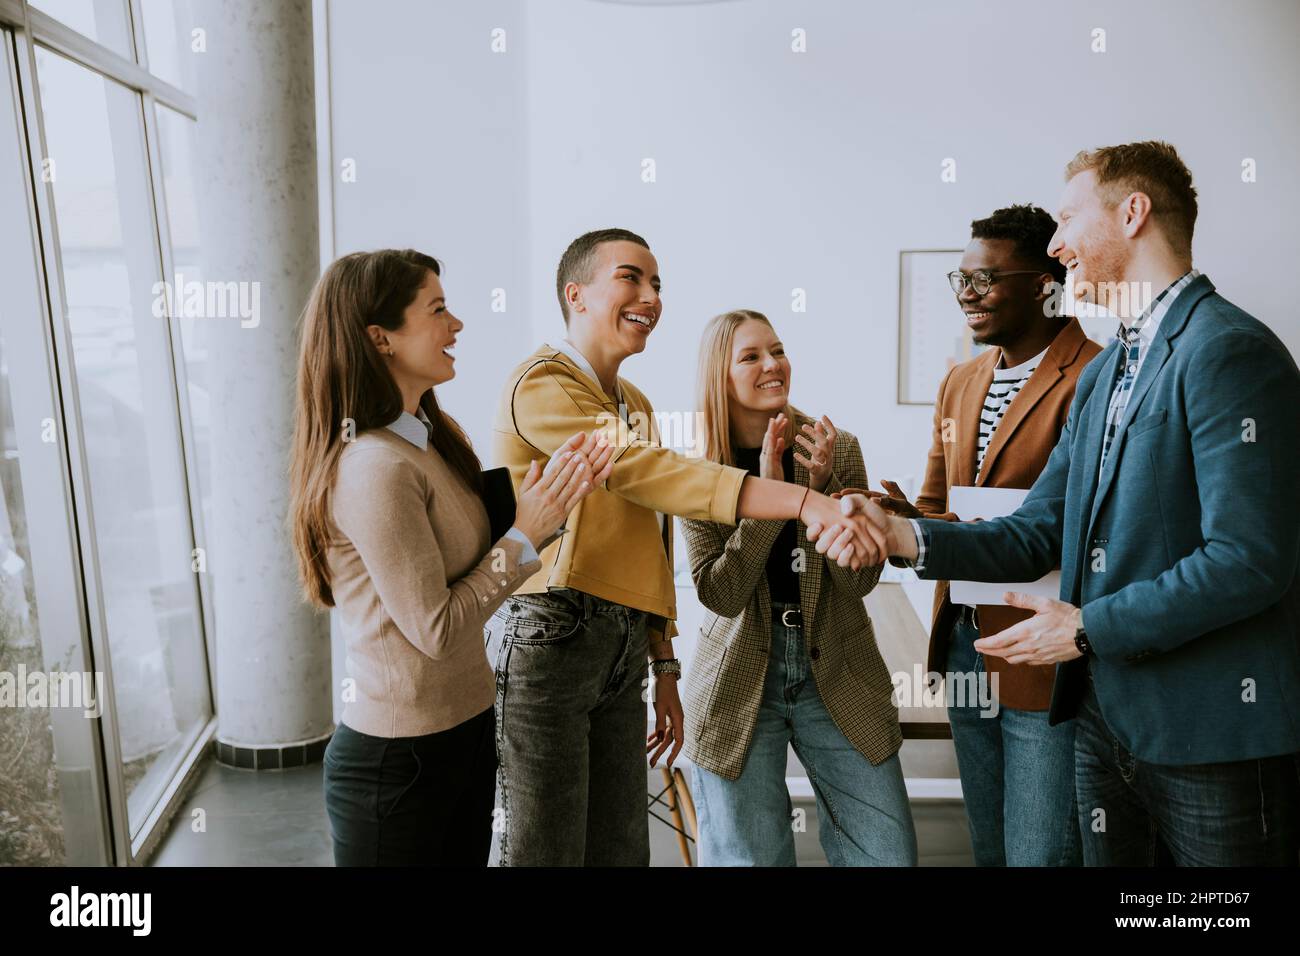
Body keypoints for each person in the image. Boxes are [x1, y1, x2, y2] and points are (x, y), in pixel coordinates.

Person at [812, 142, 1300, 866]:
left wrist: (1087, 628)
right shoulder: (1111, 372)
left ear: (1133, 214)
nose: (1058, 242)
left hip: (1209, 740)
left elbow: (1249, 560)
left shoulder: (1228, 351)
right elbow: (1038, 530)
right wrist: (903, 535)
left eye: (1069, 218)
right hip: (1103, 725)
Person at [488, 228, 887, 866]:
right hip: (550, 631)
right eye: (631, 278)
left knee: (620, 850)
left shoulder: (634, 402)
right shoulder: (540, 384)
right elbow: (652, 475)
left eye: (657, 284)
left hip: (620, 642)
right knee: (542, 850)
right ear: (577, 294)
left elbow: (651, 538)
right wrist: (801, 500)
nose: (650, 296)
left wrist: (662, 662)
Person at [288, 249, 612, 865]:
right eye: (438, 310)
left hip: (461, 735)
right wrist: (524, 535)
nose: (457, 325)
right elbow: (435, 629)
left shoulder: (429, 441)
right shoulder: (374, 467)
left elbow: (478, 550)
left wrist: (549, 504)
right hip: (399, 767)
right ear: (380, 338)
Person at [870, 205, 1100, 866]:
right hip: (966, 643)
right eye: (960, 280)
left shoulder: (1095, 377)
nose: (967, 295)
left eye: (986, 279)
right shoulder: (961, 381)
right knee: (993, 851)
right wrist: (888, 514)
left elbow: (1087, 529)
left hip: (1044, 652)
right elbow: (938, 508)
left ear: (1041, 285)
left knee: (1041, 854)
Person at [679, 309, 916, 866]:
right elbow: (720, 594)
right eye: (752, 356)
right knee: (749, 858)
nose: (773, 364)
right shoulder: (699, 469)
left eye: (778, 350)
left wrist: (822, 488)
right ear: (721, 374)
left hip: (838, 670)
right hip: (738, 679)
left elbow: (858, 581)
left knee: (886, 853)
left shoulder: (836, 448)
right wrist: (772, 496)